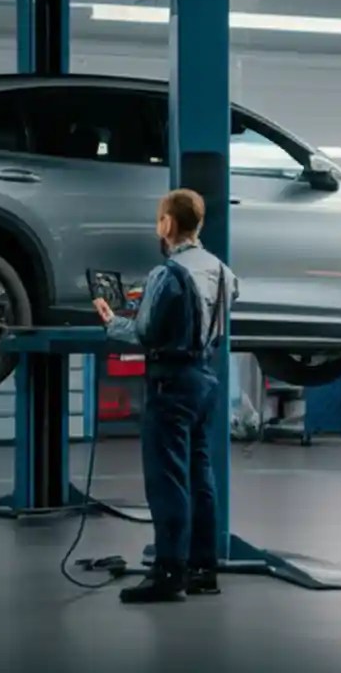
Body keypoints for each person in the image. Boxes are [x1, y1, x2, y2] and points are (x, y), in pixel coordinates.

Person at [93, 187, 239, 604]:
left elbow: (145, 333)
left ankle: (169, 573)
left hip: (170, 382)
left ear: (168, 224)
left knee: (167, 479)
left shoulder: (165, 274)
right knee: (199, 474)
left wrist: (112, 321)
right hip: (205, 378)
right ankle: (203, 569)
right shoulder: (222, 271)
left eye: (159, 219)